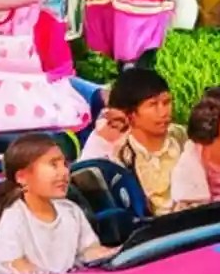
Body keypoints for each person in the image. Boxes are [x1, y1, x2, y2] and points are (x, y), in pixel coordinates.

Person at [0, 133, 117, 274]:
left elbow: (89, 251)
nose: (64, 172)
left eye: (65, 164)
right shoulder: (13, 219)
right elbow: (14, 266)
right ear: (22, 177)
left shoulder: (71, 211)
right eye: (53, 164)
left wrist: (118, 253)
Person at [79, 68, 186, 215]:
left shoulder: (181, 138)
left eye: (167, 102)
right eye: (153, 105)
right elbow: (83, 175)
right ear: (130, 112)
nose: (163, 112)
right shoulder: (115, 147)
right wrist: (102, 138)